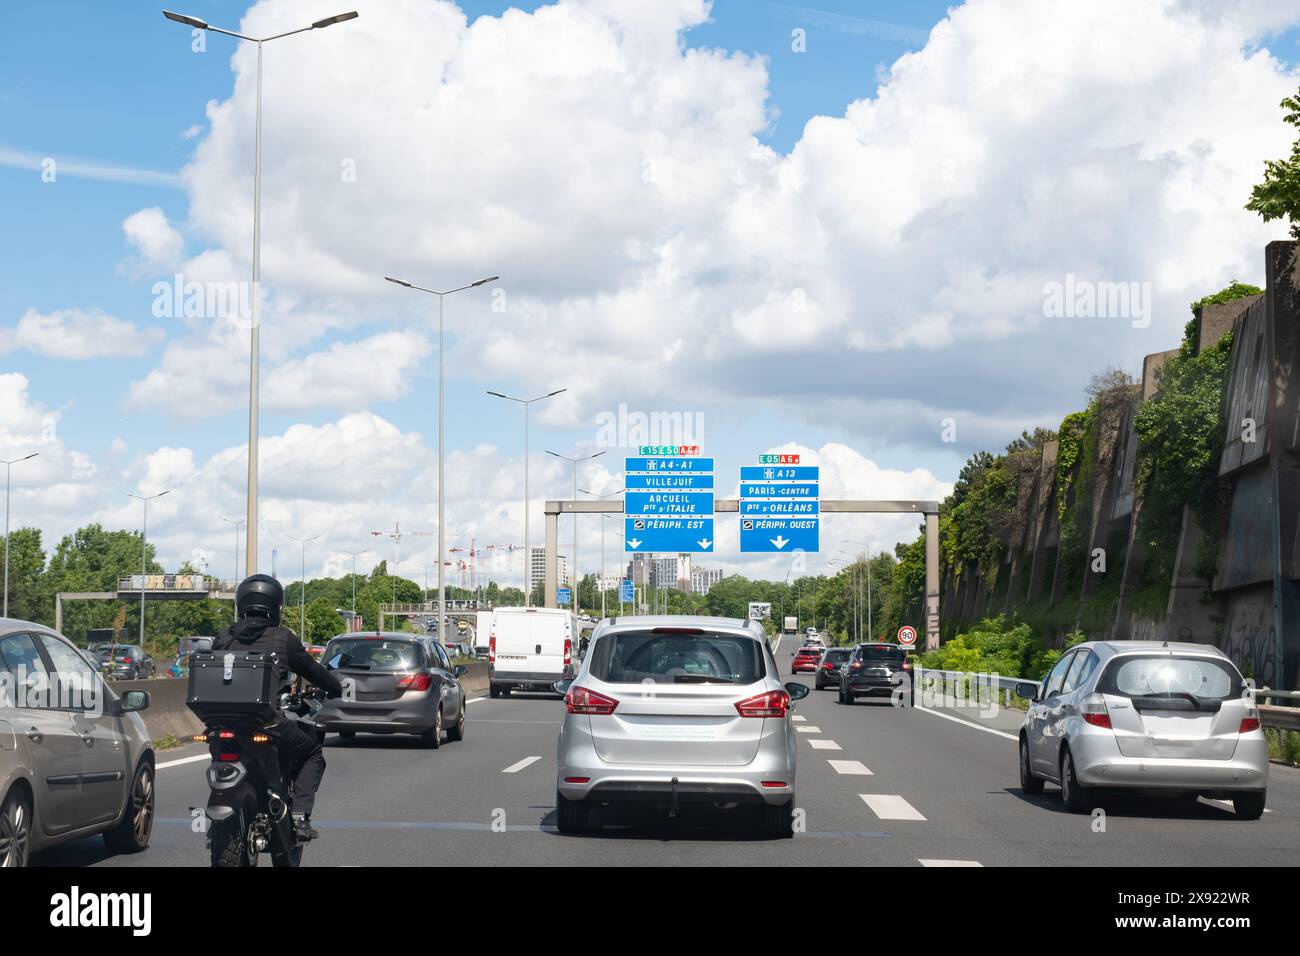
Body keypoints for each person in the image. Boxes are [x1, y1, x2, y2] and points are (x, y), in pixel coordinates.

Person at [213, 573, 344, 842]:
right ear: (276, 606)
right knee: (312, 752)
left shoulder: (223, 636)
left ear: (241, 603)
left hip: (220, 725)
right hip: (266, 724)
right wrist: (335, 687)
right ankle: (299, 816)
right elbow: (312, 669)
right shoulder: (282, 638)